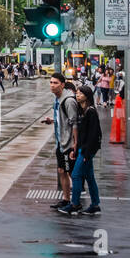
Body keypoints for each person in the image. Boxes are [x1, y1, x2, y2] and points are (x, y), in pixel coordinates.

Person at [58, 83, 102, 215]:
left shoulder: (91, 112)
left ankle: (75, 204)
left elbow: (94, 135)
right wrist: (76, 148)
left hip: (87, 151)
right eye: (76, 92)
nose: (77, 95)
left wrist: (86, 154)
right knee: (89, 177)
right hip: (83, 149)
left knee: (76, 175)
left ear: (87, 96)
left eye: (80, 93)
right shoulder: (83, 111)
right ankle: (95, 204)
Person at [44, 73, 79, 209]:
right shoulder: (57, 99)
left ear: (63, 85)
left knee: (71, 173)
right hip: (60, 141)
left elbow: (74, 123)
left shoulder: (69, 100)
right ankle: (65, 199)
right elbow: (62, 118)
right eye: (51, 82)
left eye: (55, 83)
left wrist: (75, 144)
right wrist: (52, 120)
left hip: (68, 143)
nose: (52, 85)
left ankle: (75, 202)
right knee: (61, 171)